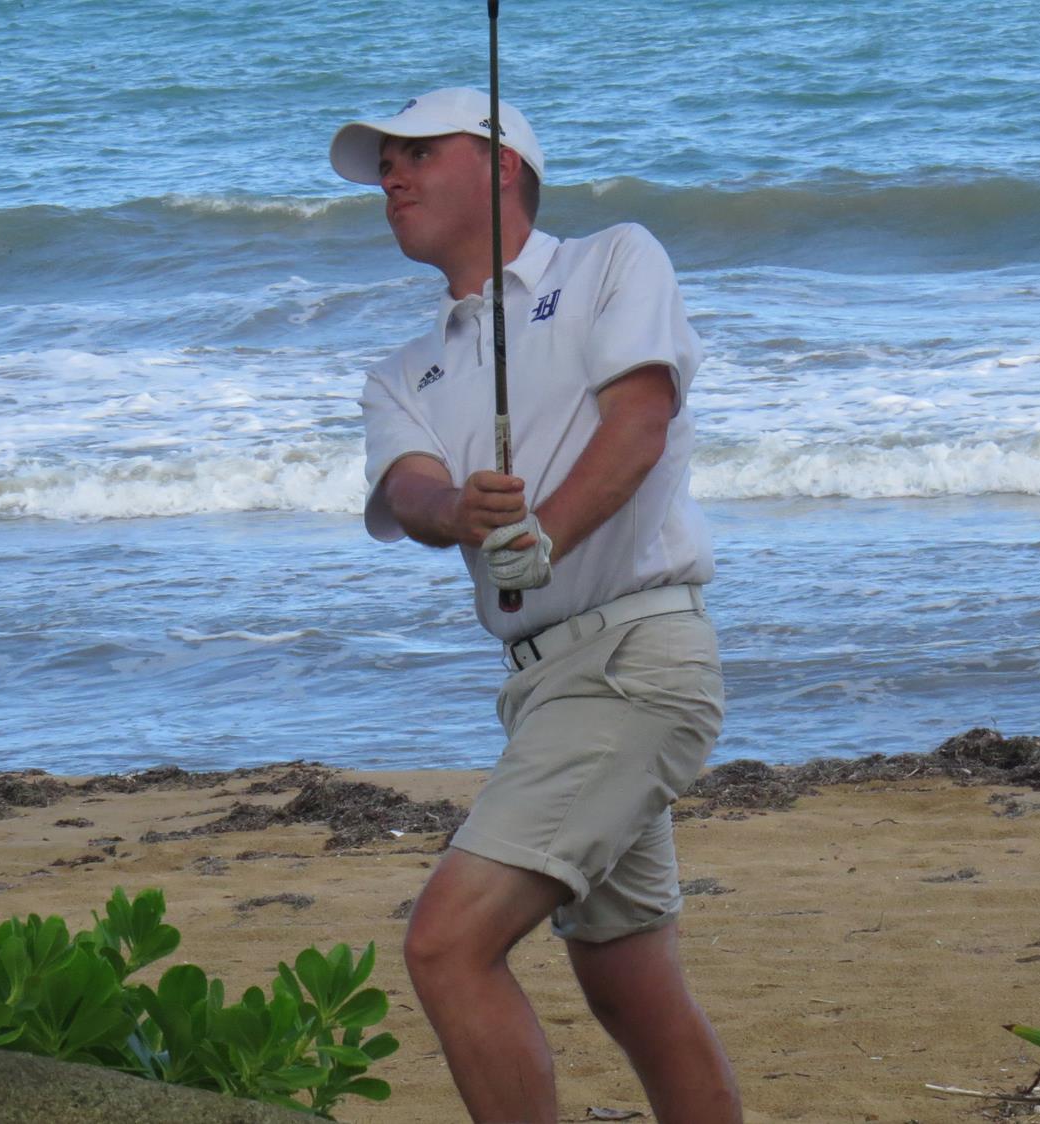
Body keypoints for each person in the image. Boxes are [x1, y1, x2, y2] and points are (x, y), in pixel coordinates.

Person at [331, 88, 743, 1124]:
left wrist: (542, 528)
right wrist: (460, 509)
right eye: (385, 162)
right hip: (543, 689)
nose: (391, 177)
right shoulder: (400, 371)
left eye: (415, 154)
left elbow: (640, 420)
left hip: (635, 661)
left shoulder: (612, 259)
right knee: (628, 981)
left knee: (446, 943)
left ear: (500, 163)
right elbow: (410, 490)